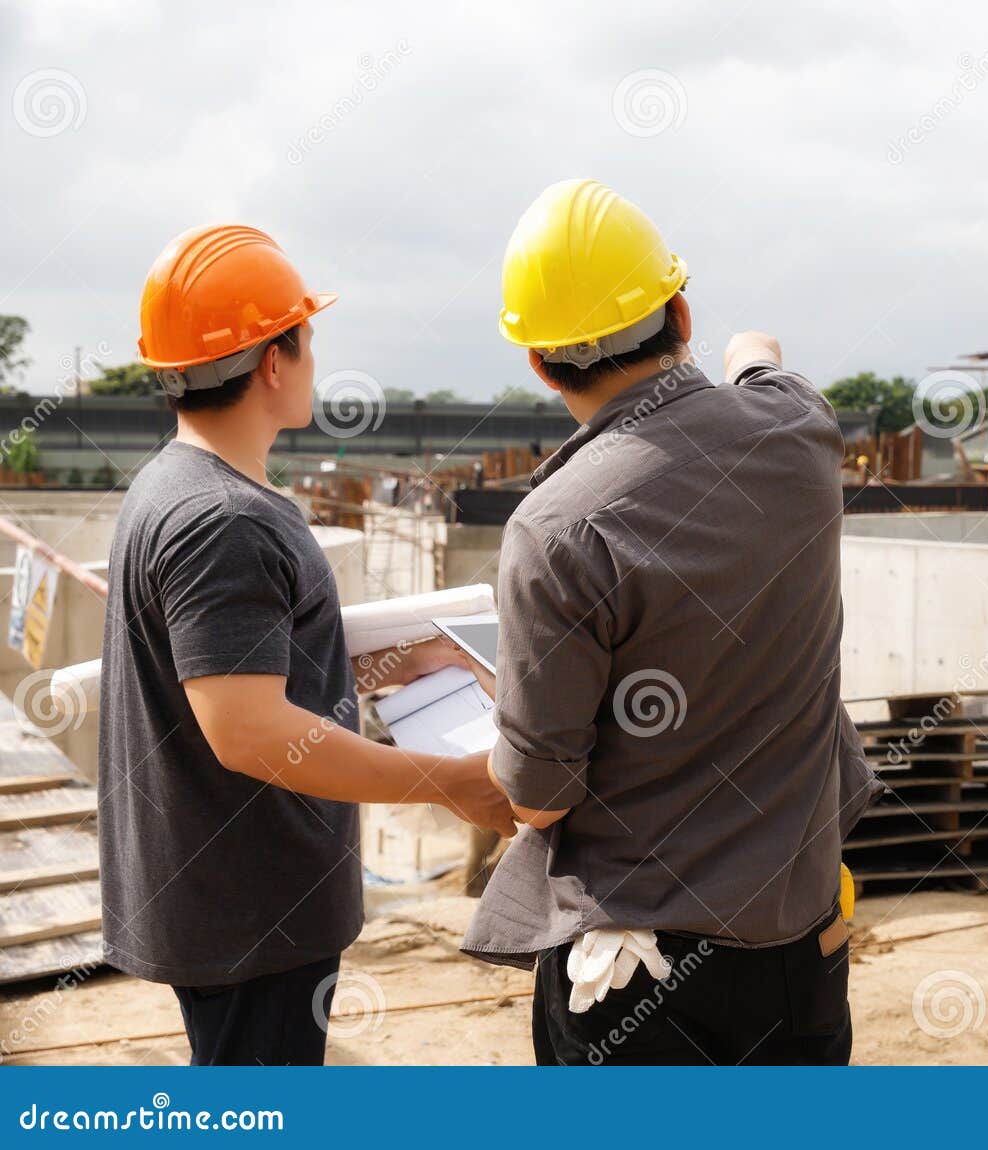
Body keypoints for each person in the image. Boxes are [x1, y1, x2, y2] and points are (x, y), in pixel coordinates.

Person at [460, 179, 883, 1065]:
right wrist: (748, 352)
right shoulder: (799, 429)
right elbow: (761, 356)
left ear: (540, 364)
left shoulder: (555, 527)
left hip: (640, 983)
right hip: (801, 955)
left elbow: (538, 795)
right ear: (680, 313)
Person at [100, 225, 515, 1066]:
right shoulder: (225, 520)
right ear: (272, 361)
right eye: (306, 338)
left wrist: (399, 661)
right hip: (253, 913)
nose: (314, 360)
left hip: (231, 902)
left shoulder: (177, 486)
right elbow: (249, 731)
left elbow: (245, 671)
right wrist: (450, 783)